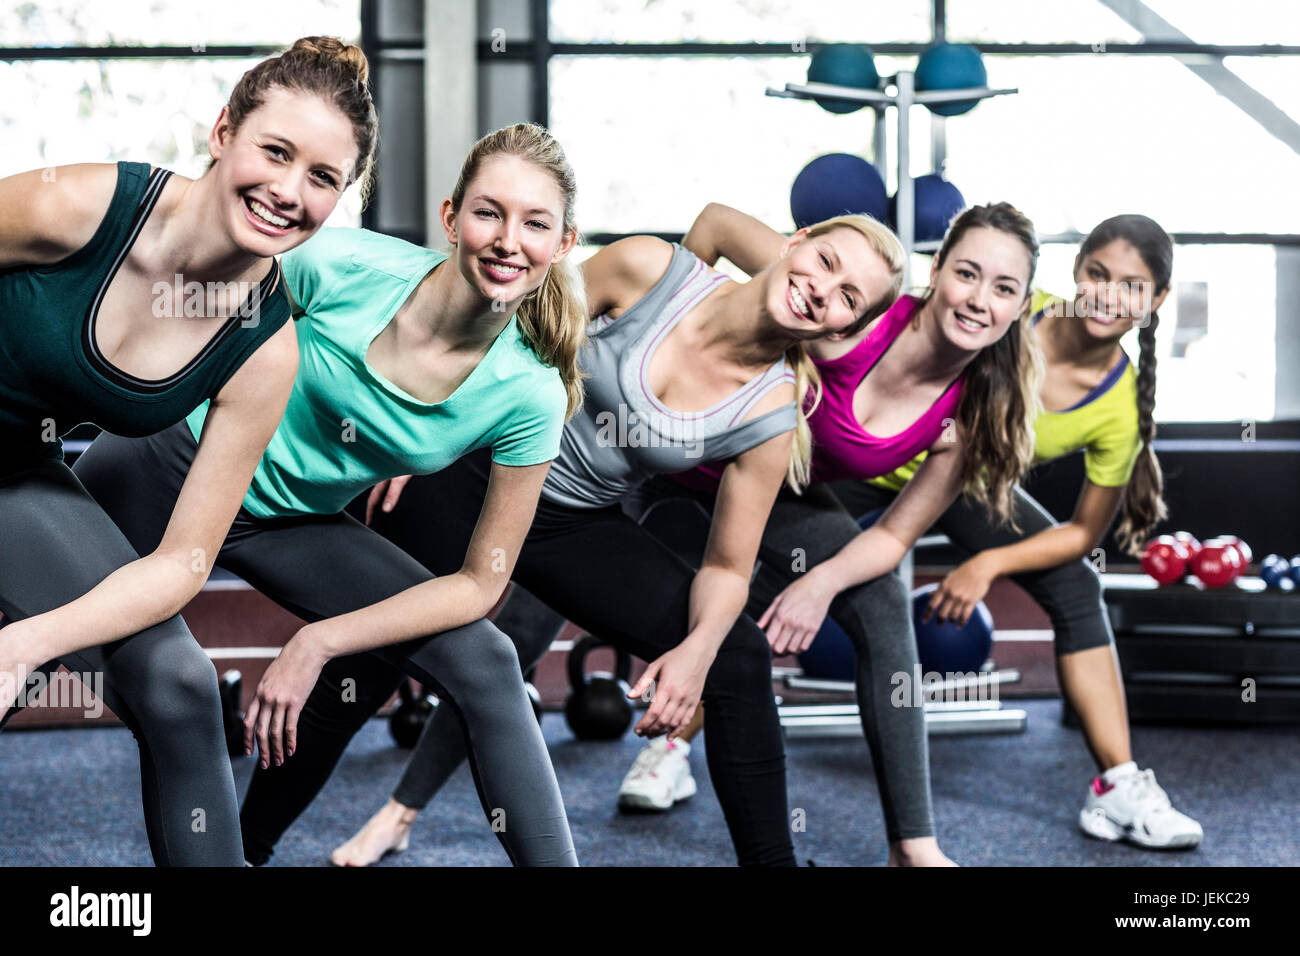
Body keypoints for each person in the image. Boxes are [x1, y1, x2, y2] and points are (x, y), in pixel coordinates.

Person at [71, 123, 587, 866]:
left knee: (487, 661)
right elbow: (179, 316)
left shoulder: (530, 393)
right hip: (168, 465)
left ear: (563, 243)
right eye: (488, 213)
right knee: (35, 638)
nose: (508, 240)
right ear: (450, 218)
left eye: (535, 223)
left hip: (287, 520)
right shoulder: (341, 265)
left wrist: (322, 638)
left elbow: (481, 583)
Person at [330, 211, 909, 867]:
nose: (824, 290)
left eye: (848, 298)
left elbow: (739, 558)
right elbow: (712, 227)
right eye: (825, 264)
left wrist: (708, 644)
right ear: (799, 241)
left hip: (643, 496)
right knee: (461, 647)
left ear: (848, 326)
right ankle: (389, 814)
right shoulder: (700, 274)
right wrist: (663, 315)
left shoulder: (796, 399)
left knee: (732, 654)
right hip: (537, 468)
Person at [0, 36, 372, 865]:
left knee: (178, 685)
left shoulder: (265, 348)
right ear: (222, 133)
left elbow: (182, 562)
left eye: (322, 178)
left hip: (17, 477)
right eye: (275, 152)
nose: (288, 191)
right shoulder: (81, 206)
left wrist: (28, 641)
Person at [841, 214, 1201, 850]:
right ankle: (671, 743)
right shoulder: (1008, 305)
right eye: (1097, 274)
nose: (1107, 296)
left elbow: (1084, 532)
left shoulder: (1119, 406)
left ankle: (1118, 787)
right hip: (861, 452)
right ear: (1075, 271)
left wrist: (990, 565)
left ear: (1158, 302)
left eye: (1131, 286)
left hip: (953, 485)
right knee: (766, 570)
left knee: (1076, 586)